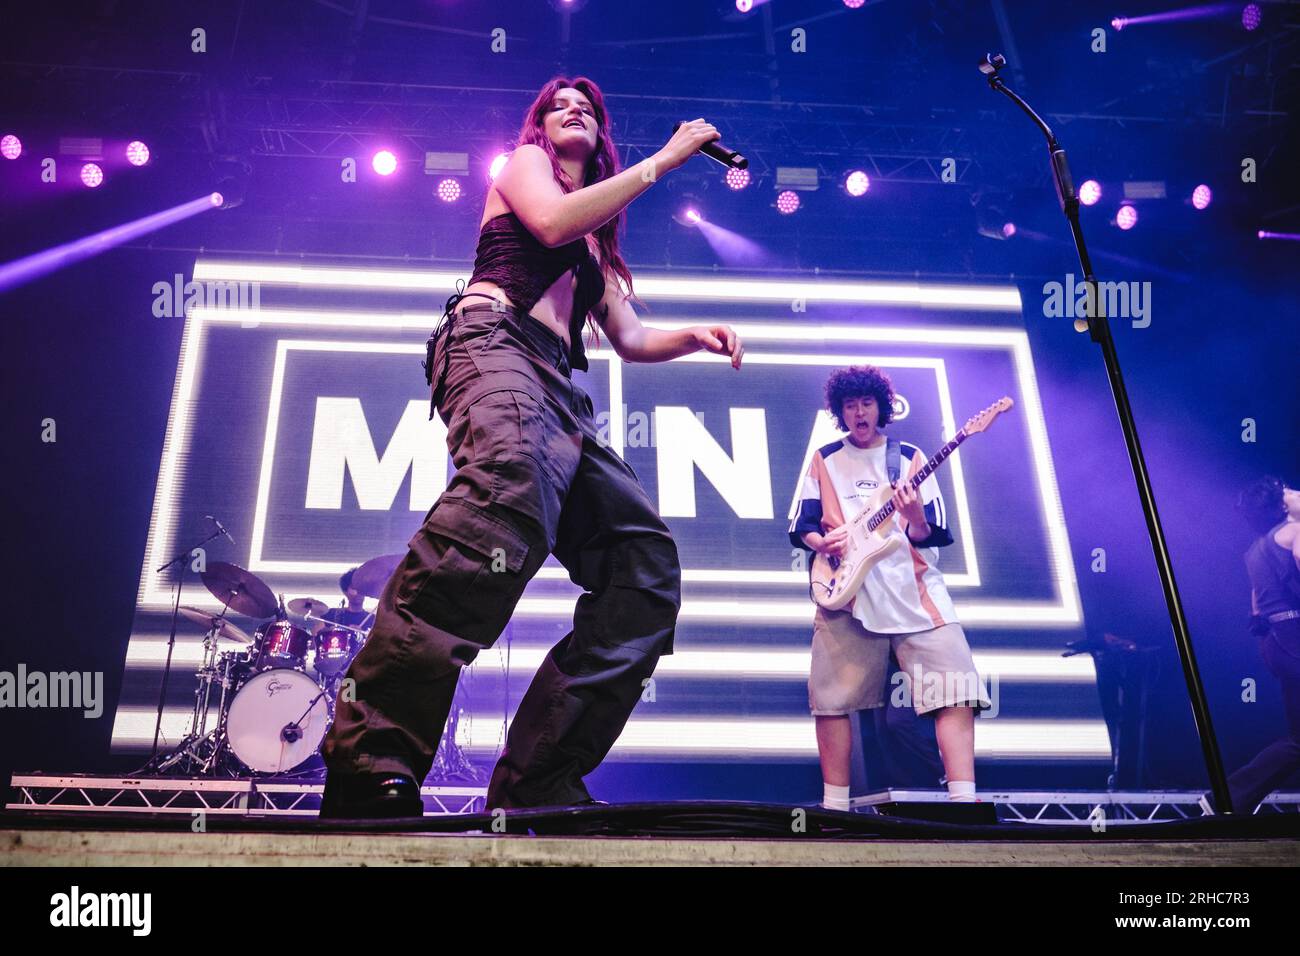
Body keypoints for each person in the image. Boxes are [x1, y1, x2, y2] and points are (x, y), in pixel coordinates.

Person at [320, 76, 744, 818]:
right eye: (560, 105)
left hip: (557, 386)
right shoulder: (522, 168)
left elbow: (630, 337)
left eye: (588, 107)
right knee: (506, 487)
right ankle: (370, 759)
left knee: (641, 569)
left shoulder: (598, 249)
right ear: (541, 126)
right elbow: (547, 224)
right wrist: (665, 161)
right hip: (492, 342)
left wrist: (694, 337)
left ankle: (537, 779)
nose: (574, 110)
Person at [788, 365, 990, 811]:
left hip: (914, 592)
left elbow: (930, 531)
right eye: (850, 405)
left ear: (881, 407)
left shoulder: (912, 458)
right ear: (841, 411)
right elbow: (801, 526)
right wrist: (824, 541)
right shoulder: (824, 459)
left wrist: (913, 516)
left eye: (866, 403)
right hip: (847, 595)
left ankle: (964, 803)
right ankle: (835, 809)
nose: (859, 412)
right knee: (830, 700)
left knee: (955, 688)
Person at [1225, 476, 1300, 813]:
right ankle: (1229, 797)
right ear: (1283, 505)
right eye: (1292, 491)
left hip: (1277, 641)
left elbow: (1257, 605)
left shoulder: (1256, 547)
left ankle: (1229, 799)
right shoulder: (1295, 532)